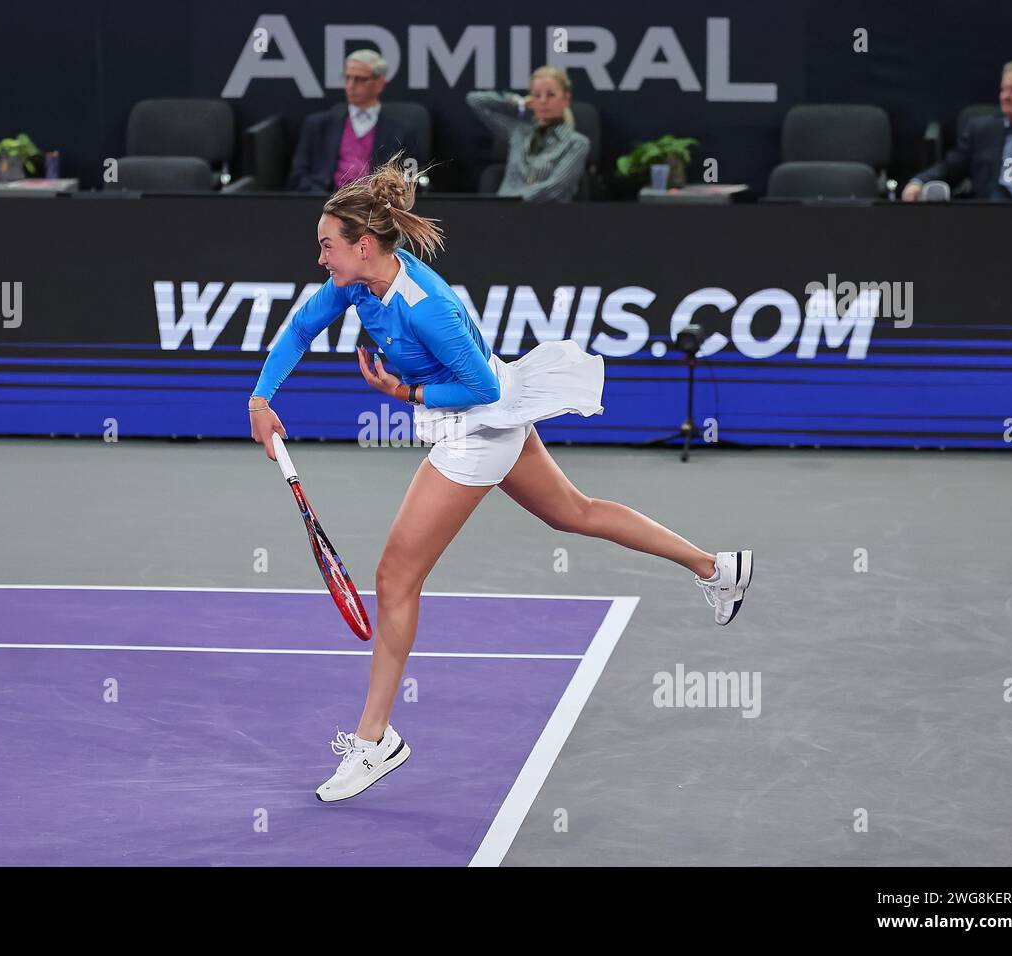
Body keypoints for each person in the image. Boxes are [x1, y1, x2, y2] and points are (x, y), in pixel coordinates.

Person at [248, 153, 752, 802]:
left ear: (363, 246)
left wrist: (406, 393)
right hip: (490, 412)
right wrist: (262, 398)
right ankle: (715, 567)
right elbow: (299, 328)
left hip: (479, 428)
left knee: (395, 578)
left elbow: (481, 390)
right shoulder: (355, 285)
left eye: (327, 246)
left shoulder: (426, 307)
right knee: (574, 512)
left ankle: (375, 740)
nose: (320, 257)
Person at [902, 59, 1012, 202]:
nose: (1005, 96)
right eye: (1003, 89)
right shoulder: (983, 131)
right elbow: (950, 168)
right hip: (996, 214)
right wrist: (919, 182)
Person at [287, 49, 422, 193]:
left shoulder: (402, 131)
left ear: (380, 83)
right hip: (328, 200)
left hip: (377, 203)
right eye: (347, 78)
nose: (350, 86)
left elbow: (410, 179)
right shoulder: (317, 125)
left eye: (360, 79)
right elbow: (298, 176)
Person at [467, 66, 591, 202]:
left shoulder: (577, 143)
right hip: (503, 210)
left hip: (546, 211)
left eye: (550, 95)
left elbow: (555, 188)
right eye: (537, 95)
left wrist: (513, 201)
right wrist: (516, 102)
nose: (543, 101)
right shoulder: (518, 131)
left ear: (566, 99)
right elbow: (475, 101)